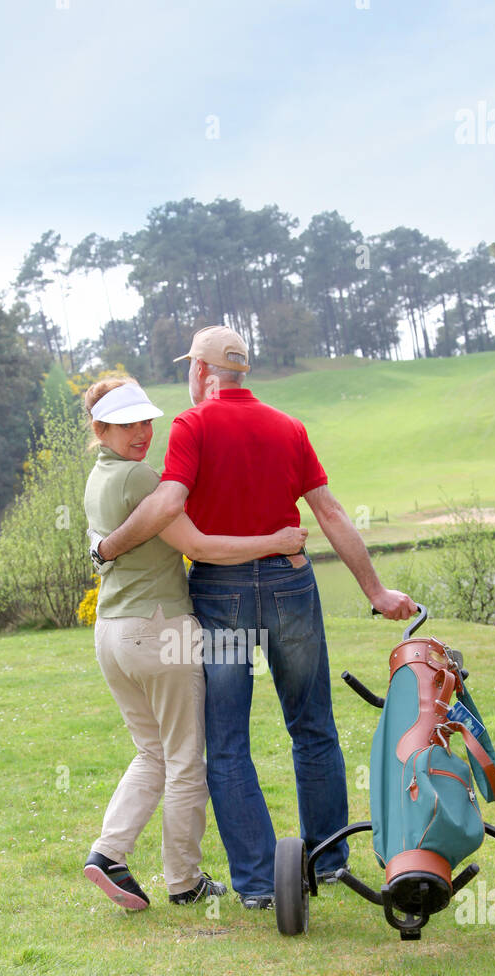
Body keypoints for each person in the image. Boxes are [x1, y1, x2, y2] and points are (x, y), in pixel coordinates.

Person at [93, 328, 417, 909]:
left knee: (227, 741)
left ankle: (263, 884)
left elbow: (167, 506)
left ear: (201, 372)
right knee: (312, 726)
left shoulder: (192, 428)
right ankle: (328, 861)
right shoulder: (289, 428)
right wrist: (376, 589)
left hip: (222, 596)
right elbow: (331, 512)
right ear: (242, 372)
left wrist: (105, 550)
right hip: (292, 583)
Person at [82, 375, 308, 911]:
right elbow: (199, 547)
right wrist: (275, 541)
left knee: (151, 752)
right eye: (126, 424)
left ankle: (108, 854)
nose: (141, 432)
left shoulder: (98, 477)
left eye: (145, 421)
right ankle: (183, 880)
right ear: (100, 429)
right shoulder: (141, 478)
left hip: (112, 634)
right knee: (185, 760)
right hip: (160, 629)